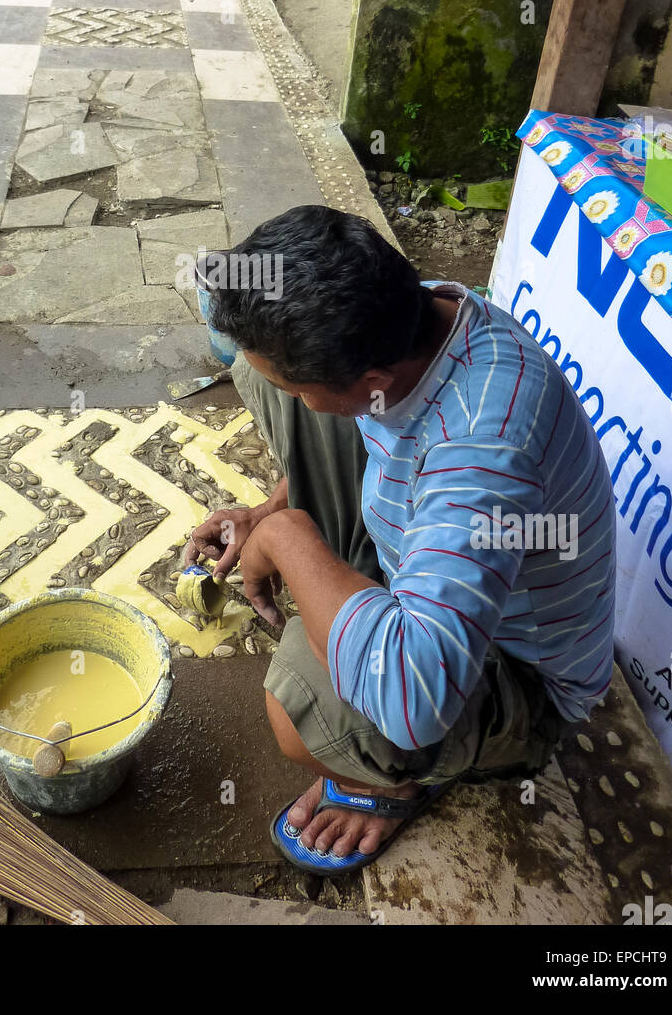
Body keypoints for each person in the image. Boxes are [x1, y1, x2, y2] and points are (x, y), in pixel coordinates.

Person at [187, 206, 616, 875]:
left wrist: (290, 536)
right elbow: (333, 409)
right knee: (241, 355)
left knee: (297, 702)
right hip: (417, 530)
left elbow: (412, 703)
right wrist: (271, 505)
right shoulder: (415, 315)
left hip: (518, 678)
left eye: (299, 391)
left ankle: (388, 782)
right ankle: (312, 502)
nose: (292, 401)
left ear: (370, 386)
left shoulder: (479, 458)